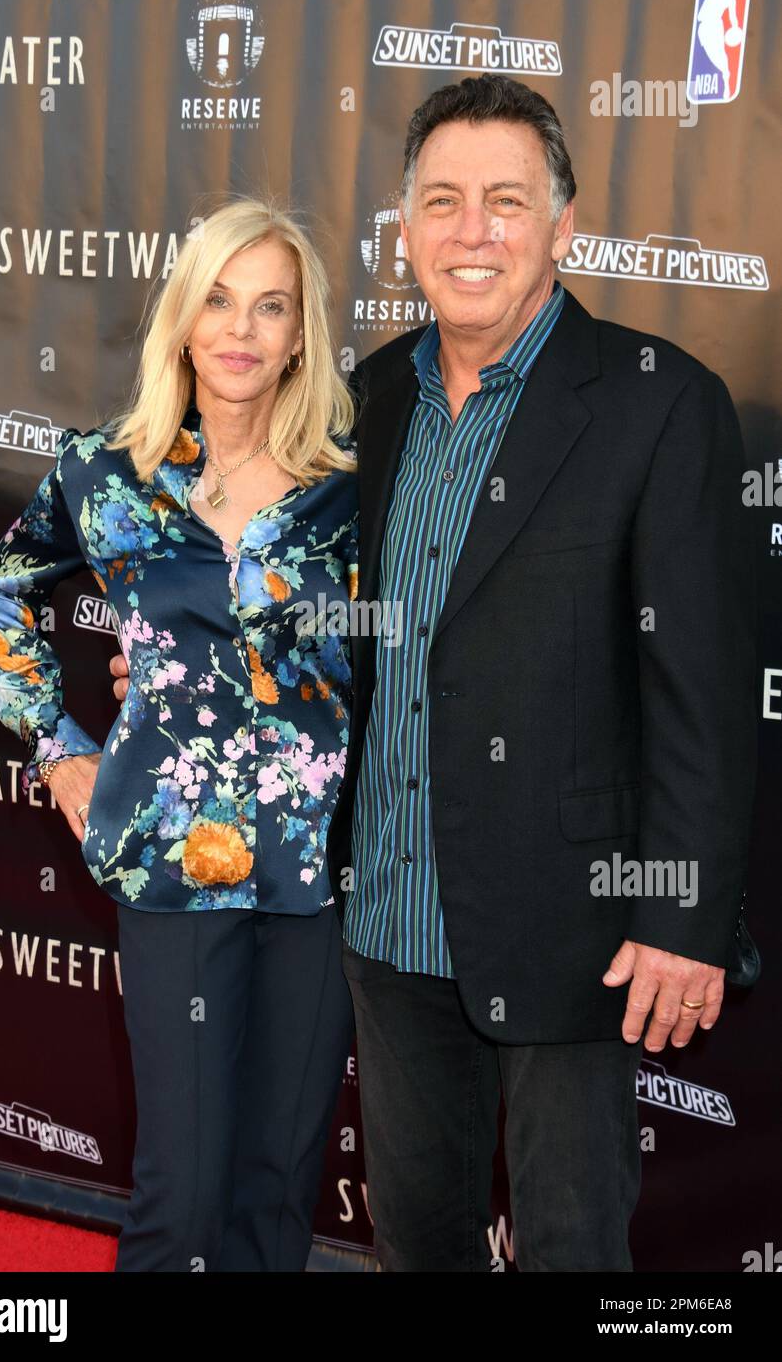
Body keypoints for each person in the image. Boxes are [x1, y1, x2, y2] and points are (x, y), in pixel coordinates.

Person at [323, 74, 754, 1271]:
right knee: (418, 1244)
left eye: (506, 201)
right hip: (391, 926)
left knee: (570, 1249)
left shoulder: (658, 404)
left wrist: (681, 915)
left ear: (563, 224)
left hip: (574, 935)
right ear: (402, 228)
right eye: (443, 201)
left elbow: (705, 693)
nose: (473, 231)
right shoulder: (370, 399)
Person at [0, 198, 359, 1272]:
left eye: (269, 306)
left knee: (277, 1194)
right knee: (180, 1203)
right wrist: (59, 744)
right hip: (170, 866)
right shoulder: (107, 473)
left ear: (298, 335)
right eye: (219, 300)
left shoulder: (351, 488)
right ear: (183, 318)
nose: (241, 329)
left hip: (320, 872)